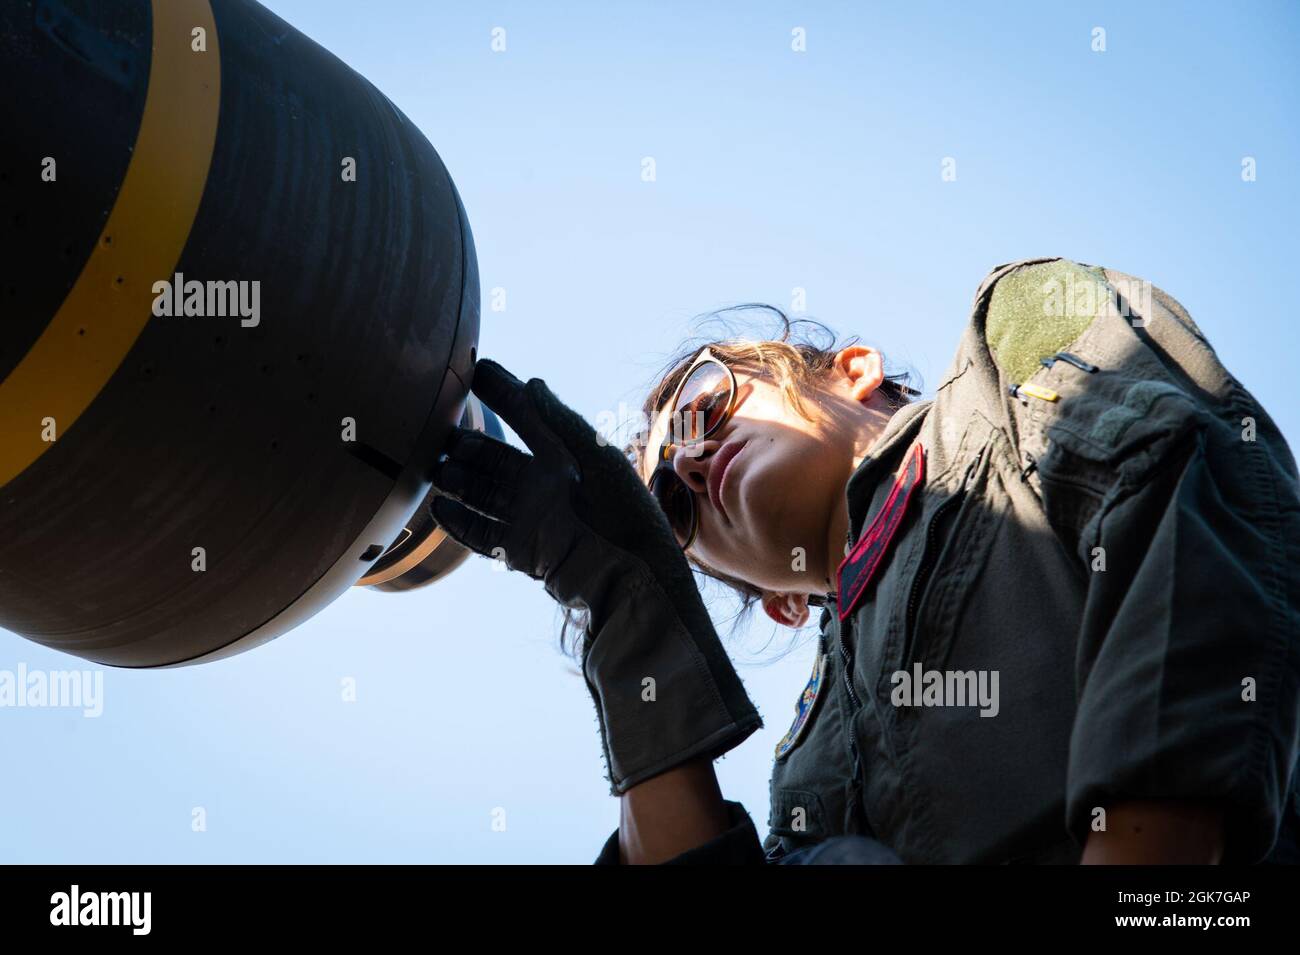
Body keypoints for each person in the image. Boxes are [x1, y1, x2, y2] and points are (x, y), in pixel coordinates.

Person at [430, 257, 1300, 864]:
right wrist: (622, 603)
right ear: (774, 601)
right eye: (670, 507)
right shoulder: (802, 776)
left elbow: (1185, 484)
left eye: (701, 412)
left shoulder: (1011, 337)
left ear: (852, 369)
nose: (690, 462)